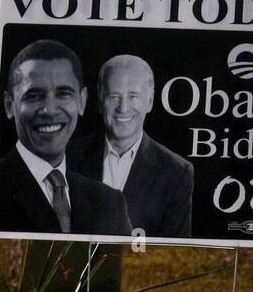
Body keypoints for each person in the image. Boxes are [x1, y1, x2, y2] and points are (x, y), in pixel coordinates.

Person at [0, 39, 132, 237]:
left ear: (82, 101)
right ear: (8, 105)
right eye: (34, 96)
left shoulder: (110, 204)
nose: (50, 110)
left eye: (64, 94)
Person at [69, 54, 193, 236]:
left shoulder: (177, 172)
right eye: (114, 96)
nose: (123, 108)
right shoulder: (67, 155)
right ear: (100, 100)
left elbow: (173, 249)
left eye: (133, 96)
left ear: (149, 101)